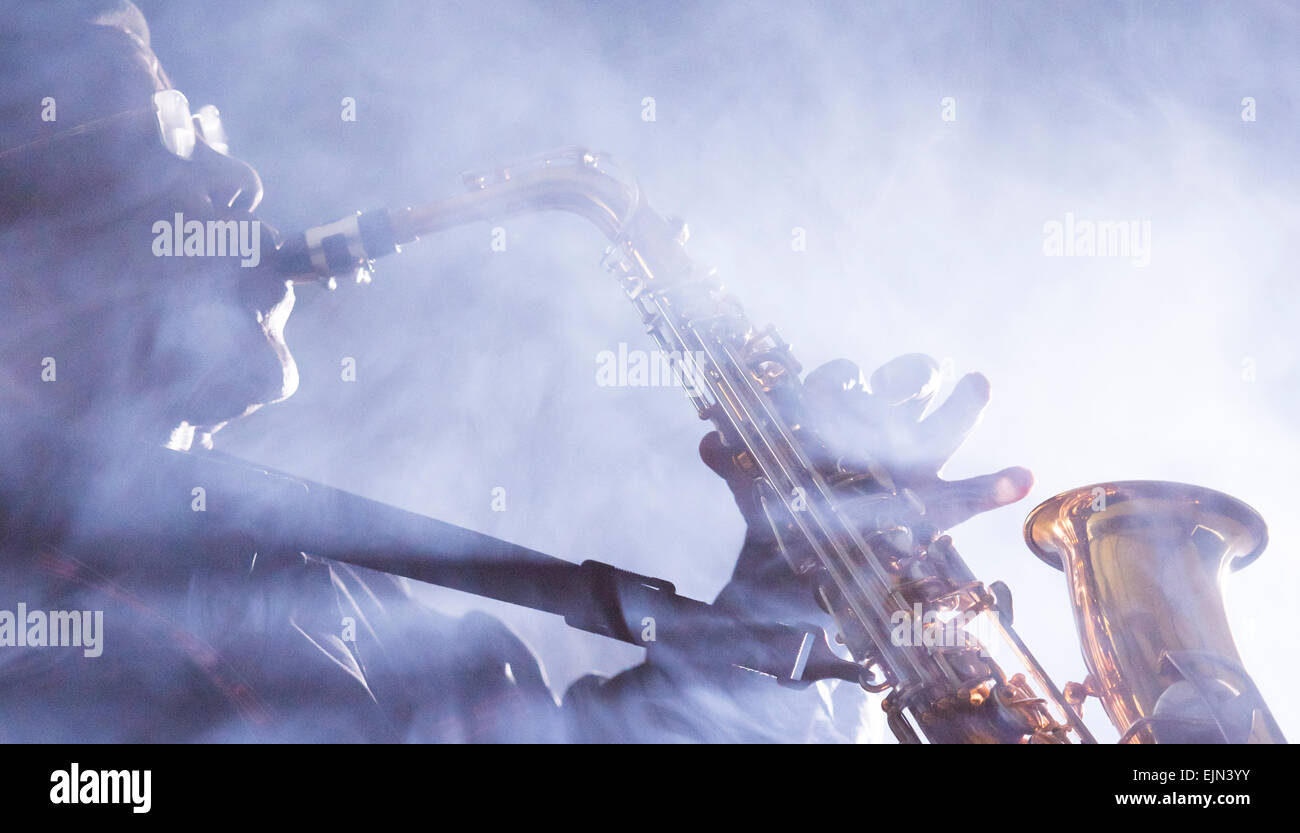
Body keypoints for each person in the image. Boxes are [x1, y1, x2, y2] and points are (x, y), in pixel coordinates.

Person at [0, 1, 1033, 742]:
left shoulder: (267, 563)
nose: (237, 181)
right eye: (165, 145)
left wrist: (791, 604)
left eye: (210, 136)